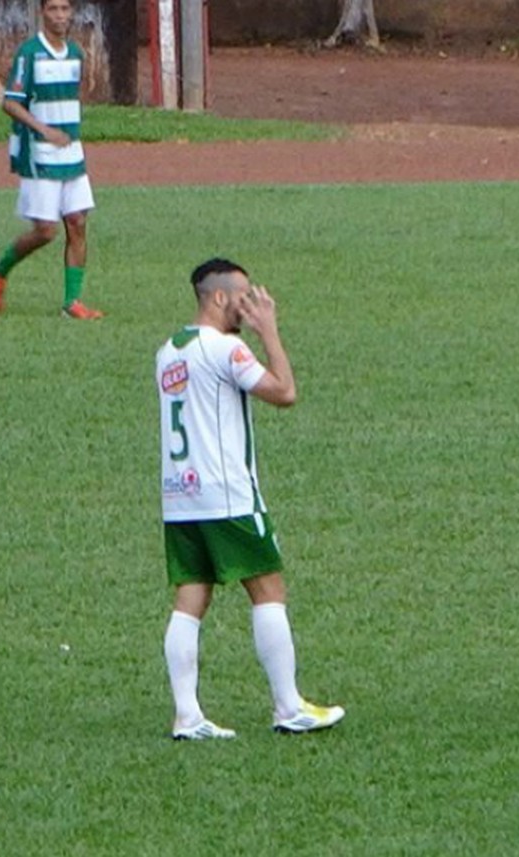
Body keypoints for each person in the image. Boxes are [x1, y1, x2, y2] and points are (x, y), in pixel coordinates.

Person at [156, 258, 344, 740]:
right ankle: (288, 706)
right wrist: (270, 332)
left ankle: (187, 715)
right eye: (243, 296)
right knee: (269, 590)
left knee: (189, 599)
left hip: (181, 497)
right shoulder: (226, 349)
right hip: (229, 498)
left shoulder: (168, 351)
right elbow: (285, 392)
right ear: (218, 297)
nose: (250, 304)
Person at [0, 0, 102, 320]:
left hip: (72, 151)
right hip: (40, 153)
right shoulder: (29, 53)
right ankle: (0, 271)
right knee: (46, 231)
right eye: (53, 9)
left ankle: (72, 303)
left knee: (77, 223)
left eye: (65, 9)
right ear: (42, 12)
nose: (60, 15)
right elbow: (10, 103)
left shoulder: (77, 54)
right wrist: (44, 129)